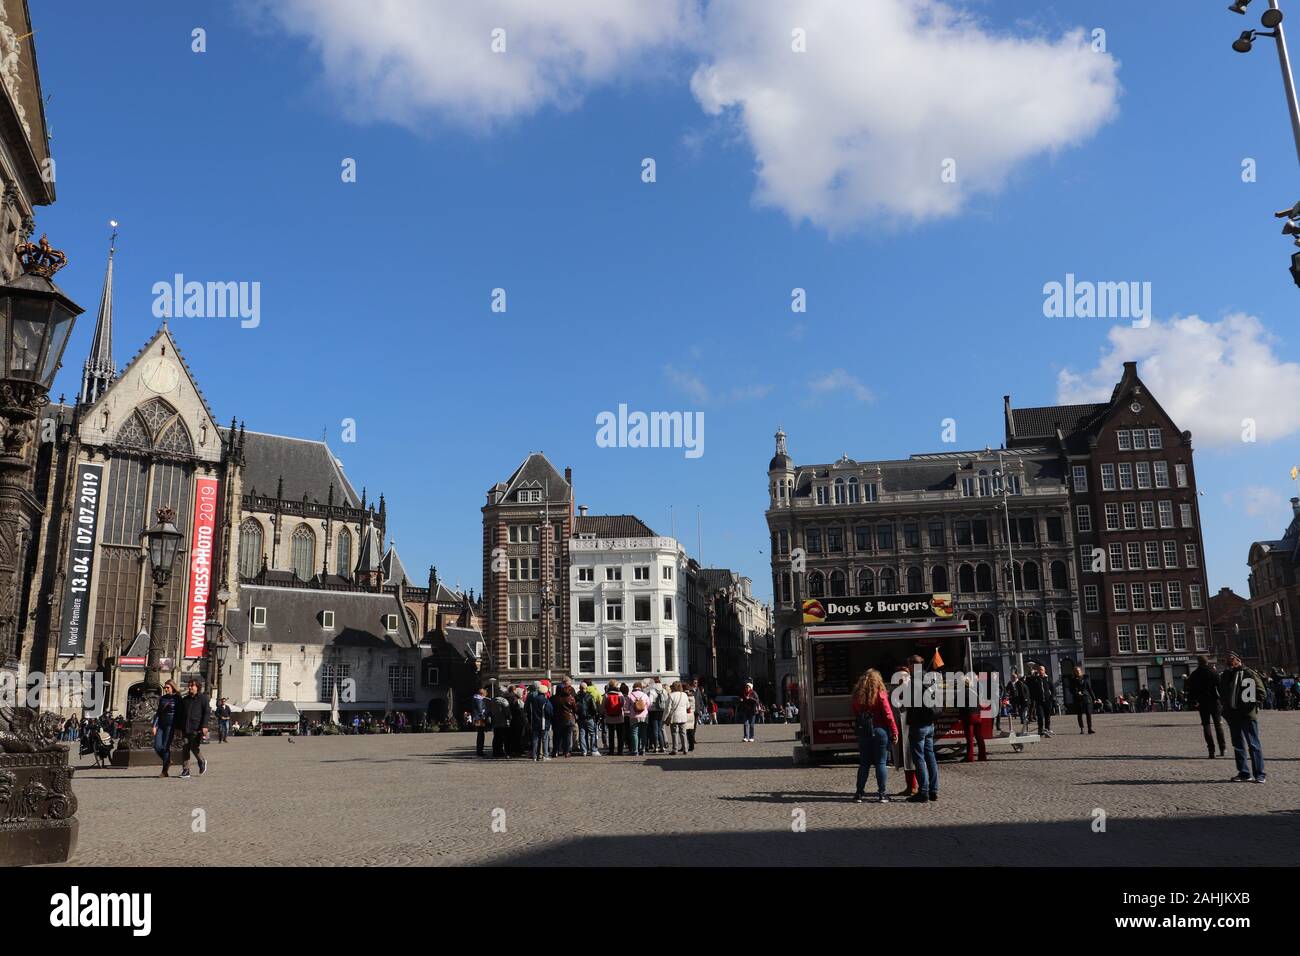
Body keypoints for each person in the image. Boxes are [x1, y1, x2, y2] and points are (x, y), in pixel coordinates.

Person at [850, 669, 898, 803]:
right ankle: (882, 794)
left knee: (864, 763)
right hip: (880, 730)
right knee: (881, 763)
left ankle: (859, 794)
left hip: (864, 731)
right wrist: (894, 731)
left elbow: (855, 712)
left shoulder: (857, 695)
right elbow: (888, 715)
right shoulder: (880, 694)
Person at [1220, 652, 1266, 783]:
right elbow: (1222, 691)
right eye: (1227, 659)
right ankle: (1244, 773)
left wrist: (1252, 705)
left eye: (1231, 659)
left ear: (1238, 659)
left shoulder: (1249, 673)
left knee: (1253, 744)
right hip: (1233, 715)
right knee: (1238, 744)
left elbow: (1262, 692)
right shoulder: (1226, 674)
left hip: (1247, 715)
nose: (1228, 662)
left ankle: (1260, 774)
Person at [901, 656, 938, 803]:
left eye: (908, 664)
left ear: (912, 665)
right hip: (930, 724)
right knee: (931, 757)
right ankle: (934, 790)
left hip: (918, 725)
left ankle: (923, 792)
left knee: (919, 759)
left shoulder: (914, 681)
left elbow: (906, 702)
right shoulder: (929, 678)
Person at [1185, 655, 1226, 759]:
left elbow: (1191, 691)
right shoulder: (1214, 672)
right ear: (1207, 662)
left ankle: (1211, 750)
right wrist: (1223, 700)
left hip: (1202, 702)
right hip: (1215, 701)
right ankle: (1222, 748)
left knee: (1206, 725)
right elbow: (1221, 687)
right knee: (1218, 724)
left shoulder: (1194, 674)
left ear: (1198, 662)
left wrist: (1192, 702)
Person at [892, 665, 919, 797]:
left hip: (911, 727)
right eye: (899, 676)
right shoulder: (896, 690)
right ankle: (910, 786)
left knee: (913, 758)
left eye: (904, 676)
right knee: (905, 758)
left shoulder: (912, 689)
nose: (902, 679)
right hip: (900, 728)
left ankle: (917, 786)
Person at [174, 678, 210, 779]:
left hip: (197, 727)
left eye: (192, 686)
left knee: (194, 747)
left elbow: (206, 713)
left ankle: (201, 761)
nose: (189, 688)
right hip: (185, 727)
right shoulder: (185, 700)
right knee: (185, 747)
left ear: (197, 687)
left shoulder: (203, 698)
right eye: (189, 686)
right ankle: (186, 770)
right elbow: (180, 714)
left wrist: (205, 726)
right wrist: (178, 727)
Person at [152, 679, 180, 777]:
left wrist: (178, 726)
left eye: (168, 687)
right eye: (165, 687)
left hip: (171, 725)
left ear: (173, 688)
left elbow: (180, 713)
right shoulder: (162, 698)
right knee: (157, 746)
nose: (166, 689)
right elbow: (158, 713)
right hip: (161, 724)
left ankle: (164, 771)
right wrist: (155, 725)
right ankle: (167, 760)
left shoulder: (178, 698)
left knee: (165, 747)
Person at [958, 673, 988, 760]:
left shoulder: (962, 692)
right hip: (978, 716)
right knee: (979, 737)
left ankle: (970, 756)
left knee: (970, 738)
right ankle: (982, 755)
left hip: (969, 717)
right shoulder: (974, 691)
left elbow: (957, 704)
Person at [526, 682, 553, 762]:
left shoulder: (534, 699)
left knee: (535, 739)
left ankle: (534, 756)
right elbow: (550, 711)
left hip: (534, 722)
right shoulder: (545, 700)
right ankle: (545, 755)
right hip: (543, 722)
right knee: (544, 739)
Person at [1026, 665, 1054, 737]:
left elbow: (1053, 689)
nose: (1040, 671)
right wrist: (1031, 673)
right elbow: (1028, 684)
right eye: (1039, 670)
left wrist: (1051, 698)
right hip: (1039, 701)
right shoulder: (1035, 679)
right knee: (1040, 716)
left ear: (1044, 671)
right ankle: (1040, 730)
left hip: (1047, 701)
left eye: (1041, 670)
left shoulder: (1048, 679)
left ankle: (1047, 729)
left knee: (1047, 716)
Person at [665, 681, 691, 755]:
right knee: (683, 733)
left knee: (674, 733)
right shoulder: (684, 695)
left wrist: (665, 718)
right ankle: (685, 748)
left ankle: (675, 749)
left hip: (674, 717)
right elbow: (688, 706)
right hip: (683, 716)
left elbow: (668, 708)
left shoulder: (671, 695)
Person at [1069, 666, 1096, 735]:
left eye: (1078, 671)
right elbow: (1071, 690)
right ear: (1074, 672)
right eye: (1076, 671)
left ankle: (1090, 728)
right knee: (1079, 714)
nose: (1077, 672)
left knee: (1088, 714)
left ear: (1081, 671)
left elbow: (1090, 689)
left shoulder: (1086, 679)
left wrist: (1094, 699)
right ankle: (1082, 728)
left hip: (1086, 698)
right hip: (1078, 699)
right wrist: (1076, 693)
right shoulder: (1072, 680)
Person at [553, 682, 577, 758]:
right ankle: (566, 752)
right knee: (567, 736)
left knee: (557, 736)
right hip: (569, 719)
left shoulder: (553, 698)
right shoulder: (571, 698)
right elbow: (575, 709)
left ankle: (555, 751)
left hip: (557, 719)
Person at [627, 682, 651, 756]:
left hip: (634, 717)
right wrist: (643, 709)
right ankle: (643, 750)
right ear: (641, 687)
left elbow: (626, 706)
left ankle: (635, 750)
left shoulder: (630, 695)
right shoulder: (645, 695)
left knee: (634, 733)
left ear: (634, 687)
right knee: (644, 733)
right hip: (644, 717)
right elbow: (649, 705)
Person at [603, 682, 626, 755]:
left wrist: (604, 713)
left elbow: (603, 705)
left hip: (609, 716)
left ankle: (611, 751)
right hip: (619, 716)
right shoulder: (620, 694)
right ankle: (620, 751)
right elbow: (623, 704)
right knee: (620, 735)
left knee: (611, 734)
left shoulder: (606, 695)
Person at [471, 686, 489, 757]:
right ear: (482, 694)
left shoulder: (475, 698)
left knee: (480, 734)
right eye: (484, 695)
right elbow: (480, 710)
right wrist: (484, 717)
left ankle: (479, 750)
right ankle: (480, 751)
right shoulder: (479, 699)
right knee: (481, 735)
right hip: (480, 719)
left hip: (477, 718)